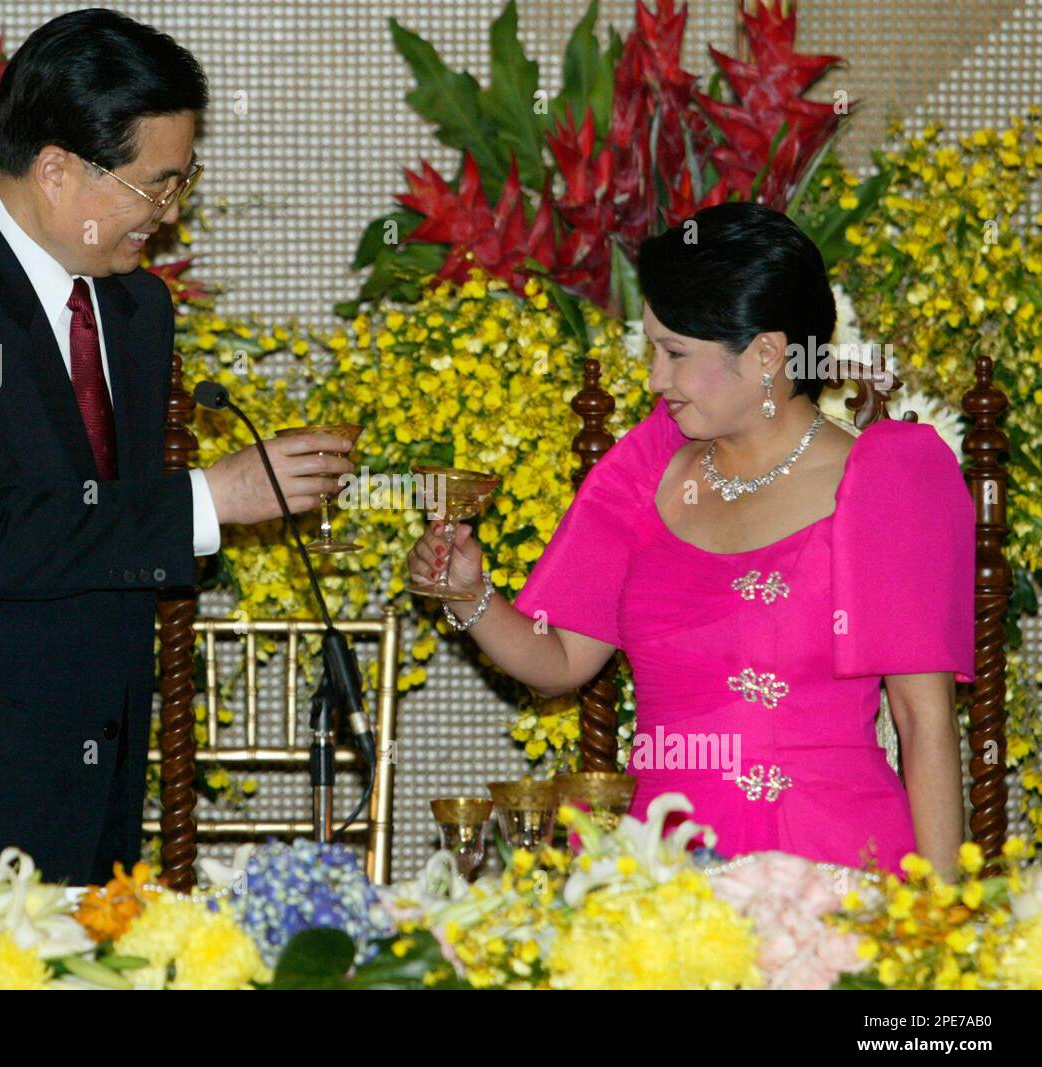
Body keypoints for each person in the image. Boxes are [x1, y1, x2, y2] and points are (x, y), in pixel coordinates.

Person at [0, 9, 352, 884]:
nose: (168, 214)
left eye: (182, 183)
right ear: (55, 171)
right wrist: (209, 500)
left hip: (87, 789)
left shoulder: (136, 310)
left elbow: (111, 542)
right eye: (154, 185)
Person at [407, 202, 974, 879]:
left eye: (675, 353)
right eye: (653, 348)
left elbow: (925, 722)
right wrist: (470, 595)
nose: (654, 378)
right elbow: (561, 659)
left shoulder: (887, 476)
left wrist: (942, 934)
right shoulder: (648, 464)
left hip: (827, 876)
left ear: (767, 353)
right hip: (656, 877)